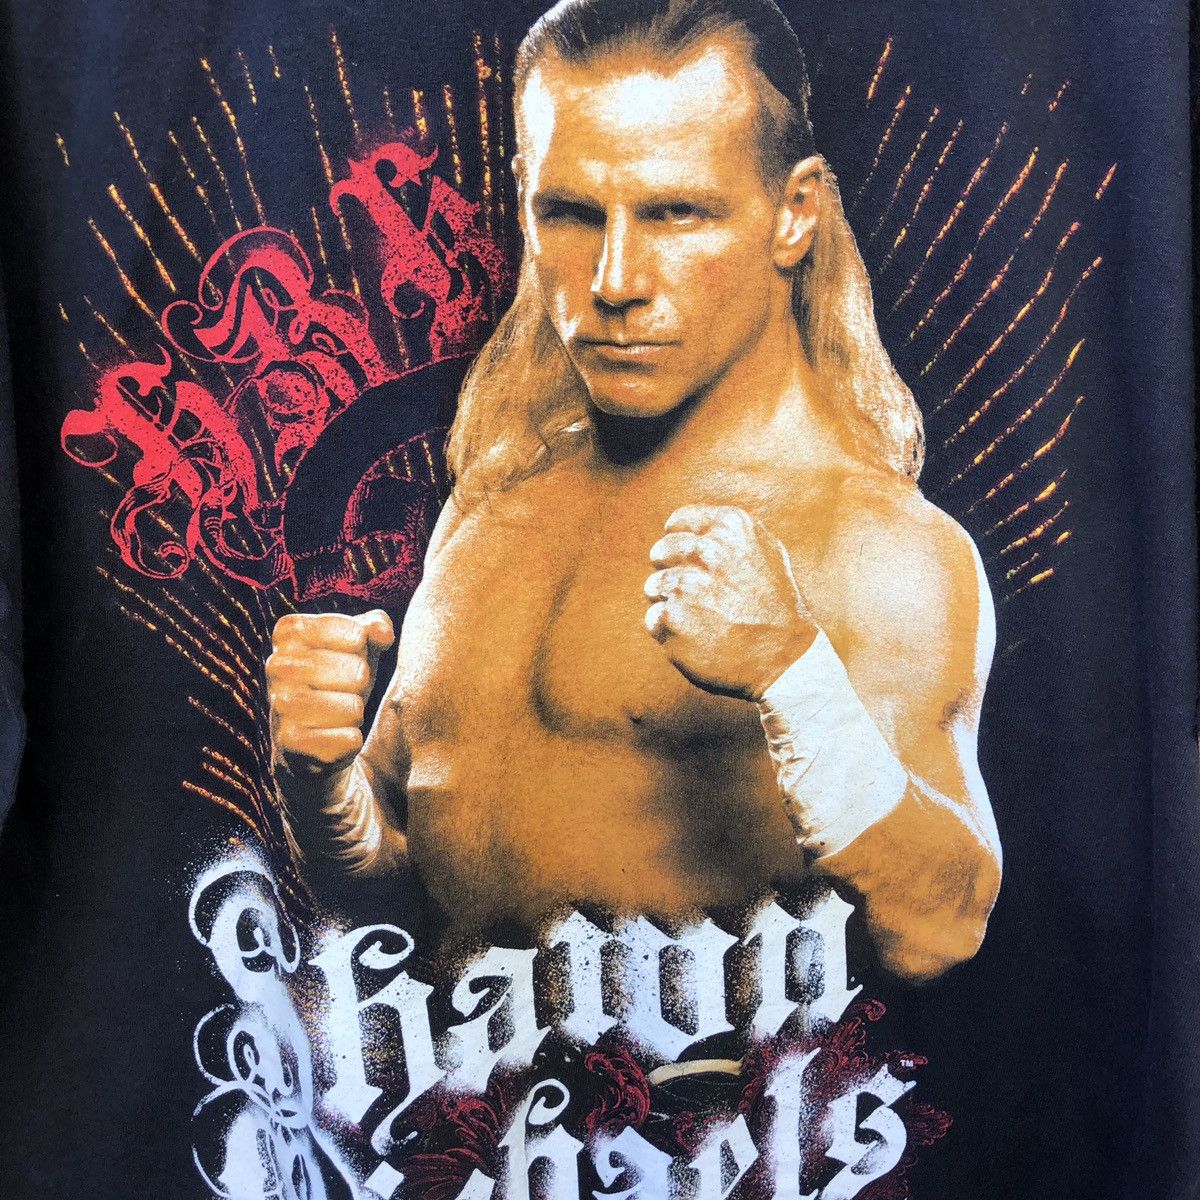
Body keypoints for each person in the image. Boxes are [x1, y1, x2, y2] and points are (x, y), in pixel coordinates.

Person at [265, 0, 1001, 984]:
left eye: (675, 213)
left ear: (795, 214)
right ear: (524, 197)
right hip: (471, 1084)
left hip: (726, 1093)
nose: (614, 280)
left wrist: (794, 674)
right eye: (570, 214)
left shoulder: (876, 548)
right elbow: (414, 885)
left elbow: (940, 929)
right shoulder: (492, 507)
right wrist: (325, 792)